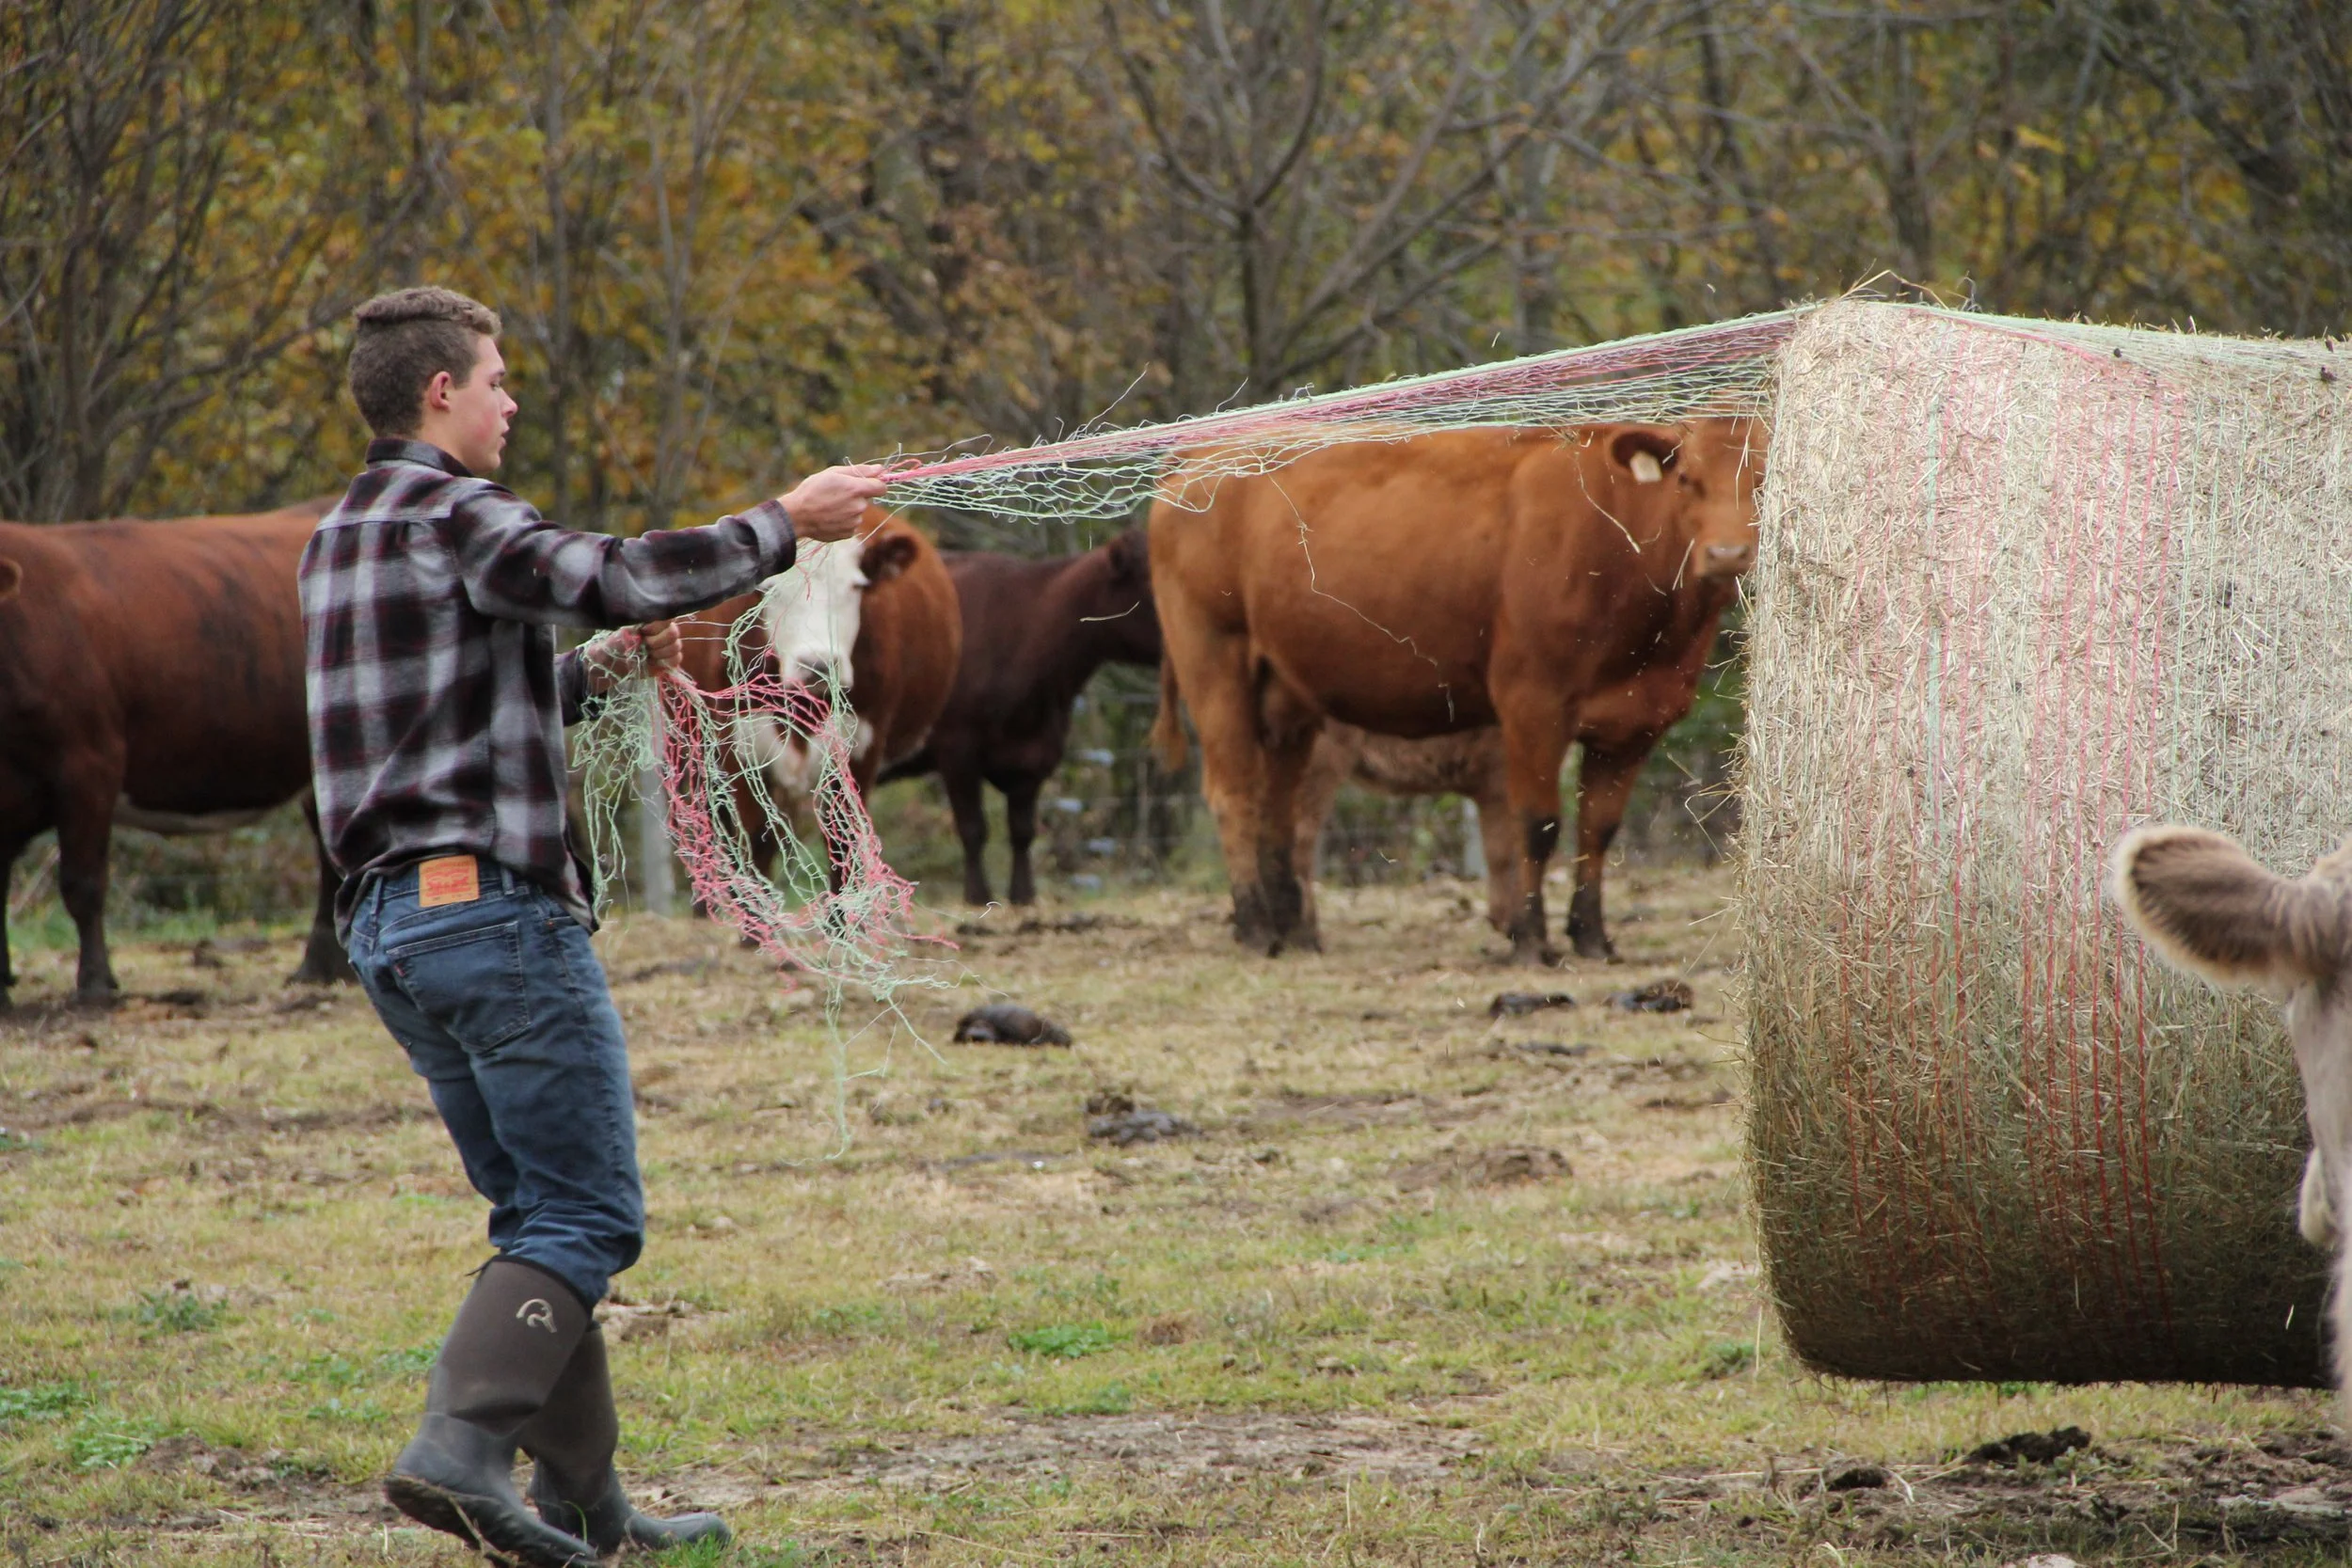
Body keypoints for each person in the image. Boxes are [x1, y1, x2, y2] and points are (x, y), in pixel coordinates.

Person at [300, 285, 889, 1565]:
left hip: (395, 928)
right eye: (498, 380)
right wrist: (789, 523)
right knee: (585, 1216)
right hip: (493, 918)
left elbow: (434, 723)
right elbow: (610, 573)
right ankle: (459, 1448)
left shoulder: (338, 533)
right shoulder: (459, 512)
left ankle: (587, 1505)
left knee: (537, 1215)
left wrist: (583, 678)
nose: (513, 401)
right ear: (439, 392)